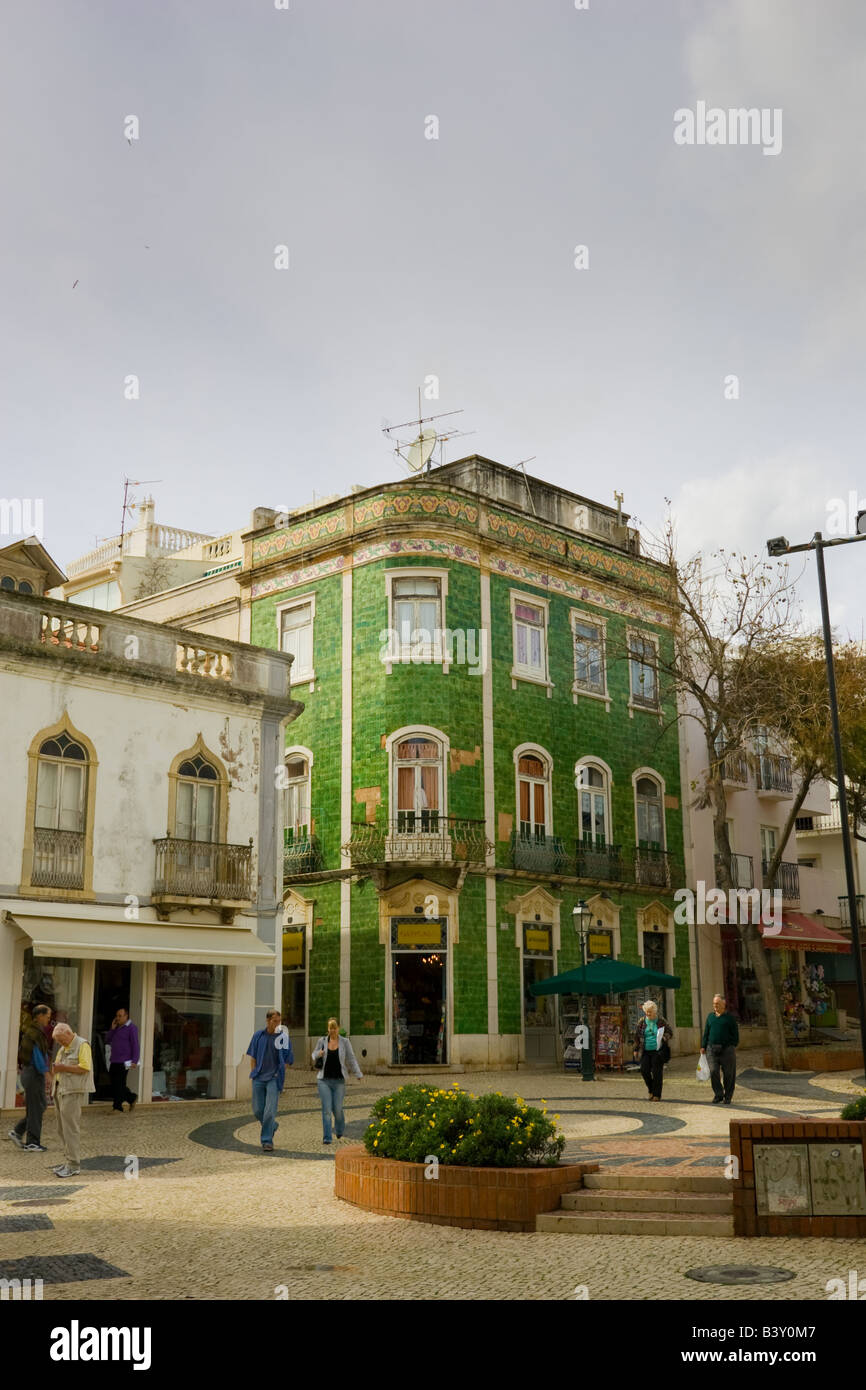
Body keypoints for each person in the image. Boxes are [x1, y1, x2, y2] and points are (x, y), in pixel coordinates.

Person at [51, 1022, 95, 1177]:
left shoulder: (82, 1045)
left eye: (61, 1040)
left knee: (71, 1130)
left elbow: (84, 1068)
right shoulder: (64, 1048)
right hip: (60, 1091)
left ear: (69, 1033)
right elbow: (57, 1068)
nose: (60, 1043)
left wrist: (62, 1067)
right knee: (62, 1129)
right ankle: (68, 1161)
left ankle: (74, 1165)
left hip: (72, 1092)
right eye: (58, 1041)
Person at [246, 1009, 293, 1152]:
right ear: (267, 1021)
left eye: (279, 1021)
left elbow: (288, 1059)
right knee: (257, 1110)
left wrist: (280, 1072)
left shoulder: (283, 1038)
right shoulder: (258, 1036)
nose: (277, 1024)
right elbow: (252, 1057)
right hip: (259, 1077)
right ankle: (273, 1126)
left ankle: (267, 1140)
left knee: (269, 1112)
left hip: (274, 1078)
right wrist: (253, 1073)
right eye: (274, 1021)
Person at [8, 1004, 52, 1152]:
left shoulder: (36, 1032)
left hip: (33, 1074)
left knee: (39, 1107)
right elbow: (37, 1056)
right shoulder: (33, 1033)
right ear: (39, 1016)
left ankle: (18, 1131)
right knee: (36, 1108)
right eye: (47, 1016)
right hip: (33, 1074)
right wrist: (46, 1072)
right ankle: (32, 1142)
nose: (48, 1019)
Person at [312, 1017, 363, 1143]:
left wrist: (358, 1073)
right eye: (330, 1028)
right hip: (324, 1080)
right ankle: (327, 1137)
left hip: (339, 1080)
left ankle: (340, 1128)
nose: (333, 1031)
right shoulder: (322, 1041)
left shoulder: (345, 1042)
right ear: (328, 1029)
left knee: (338, 1109)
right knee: (327, 1109)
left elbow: (351, 1058)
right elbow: (313, 1055)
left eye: (335, 1028)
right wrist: (319, 1053)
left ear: (338, 1028)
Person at [701, 993, 739, 1105]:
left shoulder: (730, 1018)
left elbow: (735, 1036)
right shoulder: (710, 1017)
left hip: (727, 1050)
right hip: (711, 1049)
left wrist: (731, 1045)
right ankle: (718, 1094)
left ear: (724, 1004)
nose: (715, 1005)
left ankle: (728, 1096)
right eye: (714, 1003)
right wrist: (703, 1046)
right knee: (713, 1071)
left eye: (717, 1003)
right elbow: (706, 1033)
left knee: (729, 1074)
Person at [633, 1000, 673, 1102]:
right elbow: (637, 1037)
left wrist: (664, 1037)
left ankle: (657, 1095)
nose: (648, 1013)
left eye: (650, 1011)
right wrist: (636, 1049)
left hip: (658, 1050)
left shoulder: (661, 1021)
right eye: (647, 1011)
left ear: (655, 1011)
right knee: (644, 1070)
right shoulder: (642, 1022)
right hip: (645, 1050)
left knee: (657, 1073)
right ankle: (651, 1089)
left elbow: (670, 1032)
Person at [106, 1006, 140, 1113]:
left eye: (120, 1016)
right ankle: (131, 1097)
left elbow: (135, 1044)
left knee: (119, 1084)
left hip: (124, 1061)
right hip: (114, 1060)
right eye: (117, 1016)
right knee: (115, 1084)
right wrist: (112, 1028)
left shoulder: (131, 1028)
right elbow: (107, 1040)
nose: (118, 1018)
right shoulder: (116, 1028)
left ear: (126, 1016)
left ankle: (117, 1107)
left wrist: (135, 1060)